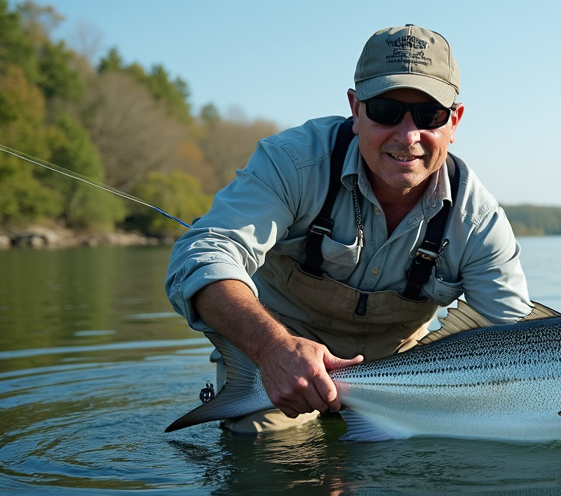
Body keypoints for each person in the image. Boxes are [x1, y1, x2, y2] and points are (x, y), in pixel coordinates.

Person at [166, 25, 531, 432]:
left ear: (454, 121)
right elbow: (202, 256)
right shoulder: (291, 163)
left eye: (430, 115)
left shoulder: (479, 223)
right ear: (356, 110)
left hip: (405, 373)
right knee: (263, 446)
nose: (407, 135)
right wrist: (271, 347)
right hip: (277, 353)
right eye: (386, 110)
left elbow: (518, 345)